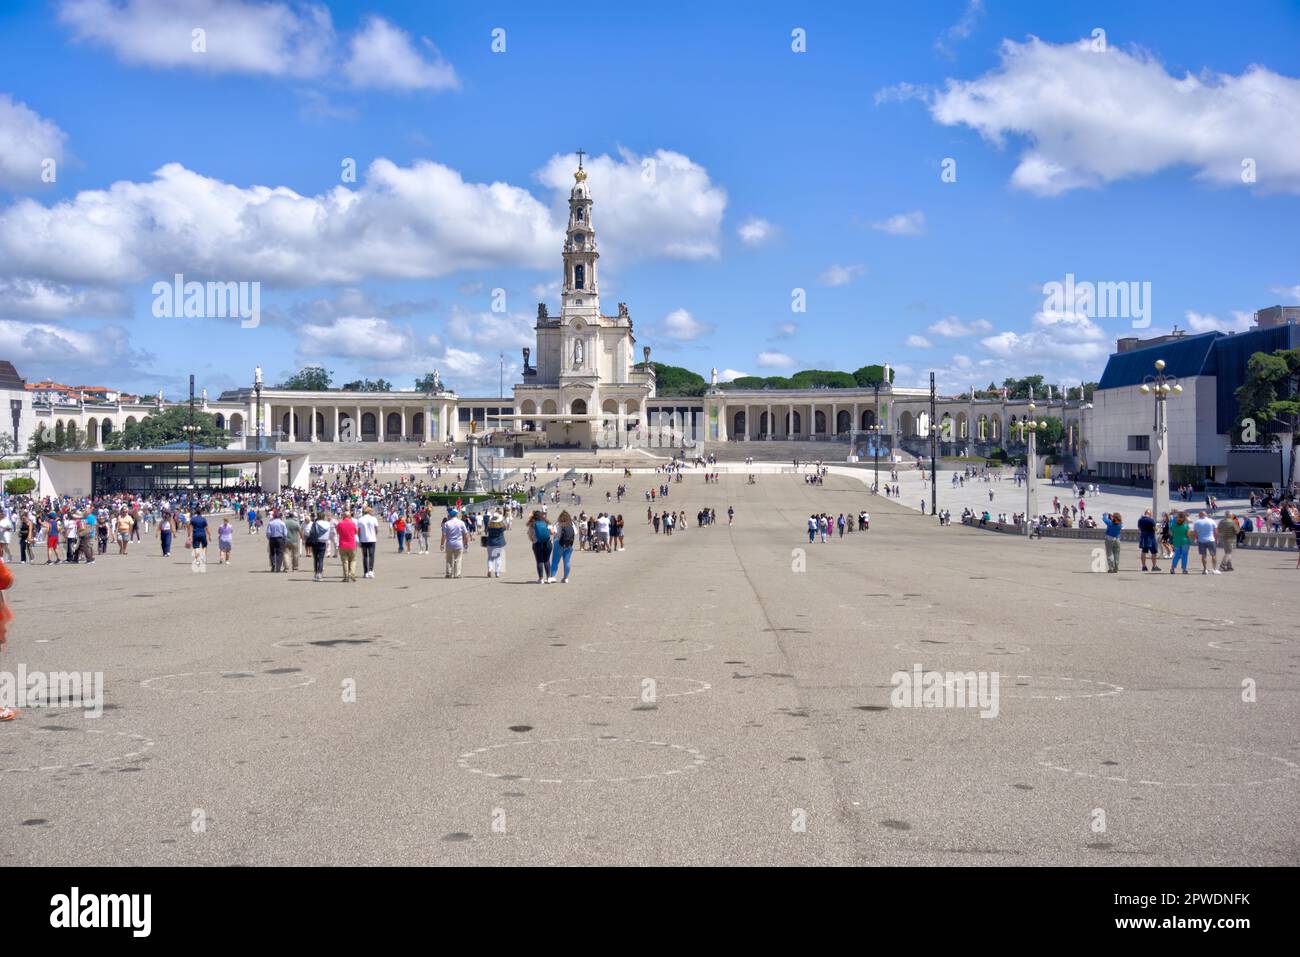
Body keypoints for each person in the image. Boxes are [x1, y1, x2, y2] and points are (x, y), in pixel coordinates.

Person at [439, 508, 468, 579]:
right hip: (458, 543)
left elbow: (444, 535)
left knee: (448, 559)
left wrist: (442, 544)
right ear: (456, 515)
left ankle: (448, 573)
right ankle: (457, 574)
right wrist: (465, 543)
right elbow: (465, 534)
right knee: (458, 559)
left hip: (449, 543)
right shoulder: (461, 523)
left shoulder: (446, 523)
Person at [1190, 510, 1220, 575]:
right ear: (1206, 515)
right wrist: (1216, 539)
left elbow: (1195, 533)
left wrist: (1197, 539)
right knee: (1213, 555)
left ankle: (1205, 569)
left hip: (1201, 541)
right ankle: (1214, 569)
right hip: (1211, 540)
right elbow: (1216, 531)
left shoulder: (1197, 522)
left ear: (1199, 515)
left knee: (1204, 556)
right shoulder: (1211, 521)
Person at [528, 510, 552, 584]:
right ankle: (548, 578)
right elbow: (552, 532)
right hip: (548, 543)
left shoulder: (532, 524)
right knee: (547, 560)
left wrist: (533, 540)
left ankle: (541, 579)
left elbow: (530, 536)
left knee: (539, 561)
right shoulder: (547, 522)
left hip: (537, 544)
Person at [551, 510, 575, 583]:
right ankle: (566, 578)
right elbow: (575, 533)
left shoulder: (558, 524)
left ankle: (553, 576)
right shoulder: (571, 524)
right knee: (567, 561)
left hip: (558, 543)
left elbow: (553, 532)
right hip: (569, 544)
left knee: (555, 561)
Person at [305, 511, 330, 582]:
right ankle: (320, 574)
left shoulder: (315, 523)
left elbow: (311, 532)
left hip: (316, 541)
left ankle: (316, 573)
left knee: (316, 558)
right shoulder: (328, 523)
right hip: (323, 541)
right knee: (321, 559)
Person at [484, 508, 508, 578]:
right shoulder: (501, 527)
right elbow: (505, 527)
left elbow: (486, 531)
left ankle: (489, 569)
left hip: (490, 543)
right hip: (499, 543)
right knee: (498, 558)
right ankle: (497, 573)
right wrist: (502, 521)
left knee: (490, 558)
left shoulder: (489, 526)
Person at [336, 510, 358, 582]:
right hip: (351, 544)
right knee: (353, 560)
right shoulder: (353, 524)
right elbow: (356, 532)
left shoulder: (340, 524)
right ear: (350, 516)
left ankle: (346, 576)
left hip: (342, 544)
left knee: (345, 561)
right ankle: (352, 574)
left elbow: (338, 532)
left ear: (343, 516)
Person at [357, 505, 378, 579]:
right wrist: (375, 535)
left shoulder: (360, 519)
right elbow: (376, 529)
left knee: (365, 556)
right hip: (372, 538)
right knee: (371, 555)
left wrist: (359, 539)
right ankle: (371, 571)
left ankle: (365, 572)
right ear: (369, 512)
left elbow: (358, 531)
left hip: (363, 539)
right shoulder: (373, 519)